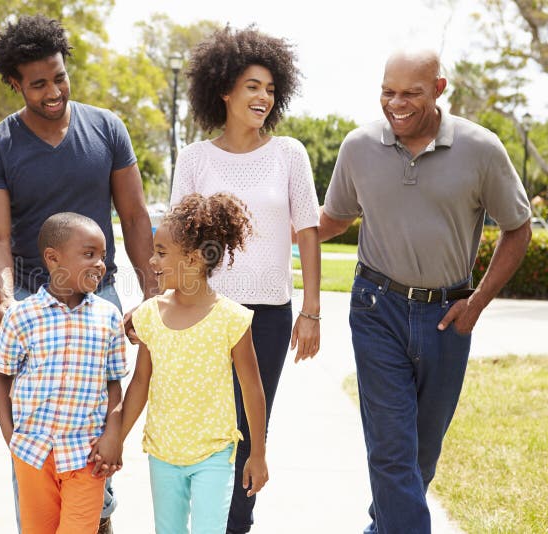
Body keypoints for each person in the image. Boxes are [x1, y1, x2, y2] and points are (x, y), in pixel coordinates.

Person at [319, 49, 532, 534]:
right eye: (387, 91)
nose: (396, 103)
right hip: (376, 308)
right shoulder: (358, 147)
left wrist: (476, 303)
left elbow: (516, 229)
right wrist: (267, 224)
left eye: (411, 92)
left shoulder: (481, 149)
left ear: (439, 88)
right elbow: (333, 217)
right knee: (392, 448)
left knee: (421, 453)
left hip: (447, 317)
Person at [0, 14, 156, 534]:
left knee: (98, 423)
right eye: (38, 83)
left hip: (101, 295)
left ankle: (93, 519)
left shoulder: (107, 128)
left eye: (59, 77)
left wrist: (153, 296)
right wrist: (8, 300)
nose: (53, 91)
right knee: (37, 431)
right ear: (15, 84)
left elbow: (137, 217)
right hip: (33, 293)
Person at [170, 26, 321, 533]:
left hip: (269, 319)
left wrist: (312, 311)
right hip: (205, 315)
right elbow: (177, 242)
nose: (263, 97)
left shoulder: (290, 155)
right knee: (204, 431)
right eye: (253, 86)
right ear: (225, 90)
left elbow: (308, 231)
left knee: (251, 428)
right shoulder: (193, 159)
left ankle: (237, 524)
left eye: (271, 90)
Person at [120, 192, 268, 534]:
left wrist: (256, 454)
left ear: (193, 259)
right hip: (163, 452)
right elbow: (140, 382)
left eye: (161, 253)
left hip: (213, 454)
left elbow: (252, 390)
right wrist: (119, 437)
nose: (152, 261)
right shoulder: (150, 315)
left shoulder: (231, 319)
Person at [0, 212, 128, 534]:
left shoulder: (109, 318)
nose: (99, 264)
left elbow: (114, 384)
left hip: (85, 455)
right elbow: (2, 376)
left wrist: (112, 435)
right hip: (33, 452)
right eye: (89, 254)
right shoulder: (21, 317)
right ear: (53, 258)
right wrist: (10, 436)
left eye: (103, 256)